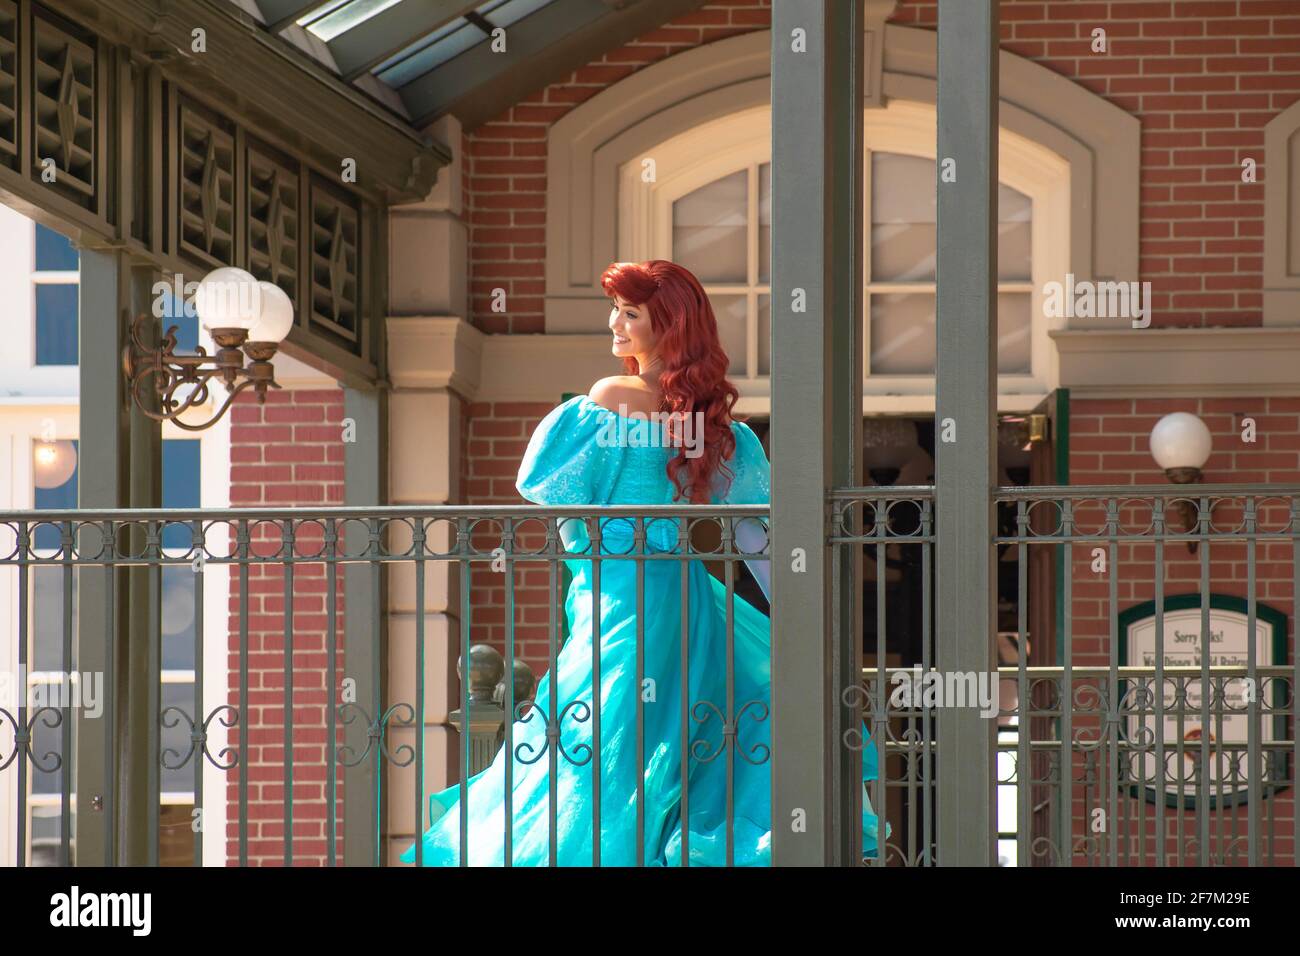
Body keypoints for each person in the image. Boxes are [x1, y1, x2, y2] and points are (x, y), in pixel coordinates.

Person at [400, 260, 889, 866]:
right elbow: (751, 535)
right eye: (617, 309)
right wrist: (799, 618)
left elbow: (557, 498)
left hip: (625, 604)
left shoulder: (611, 398)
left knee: (599, 751)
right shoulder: (715, 425)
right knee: (673, 751)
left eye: (630, 314)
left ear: (670, 326)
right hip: (688, 606)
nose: (615, 323)